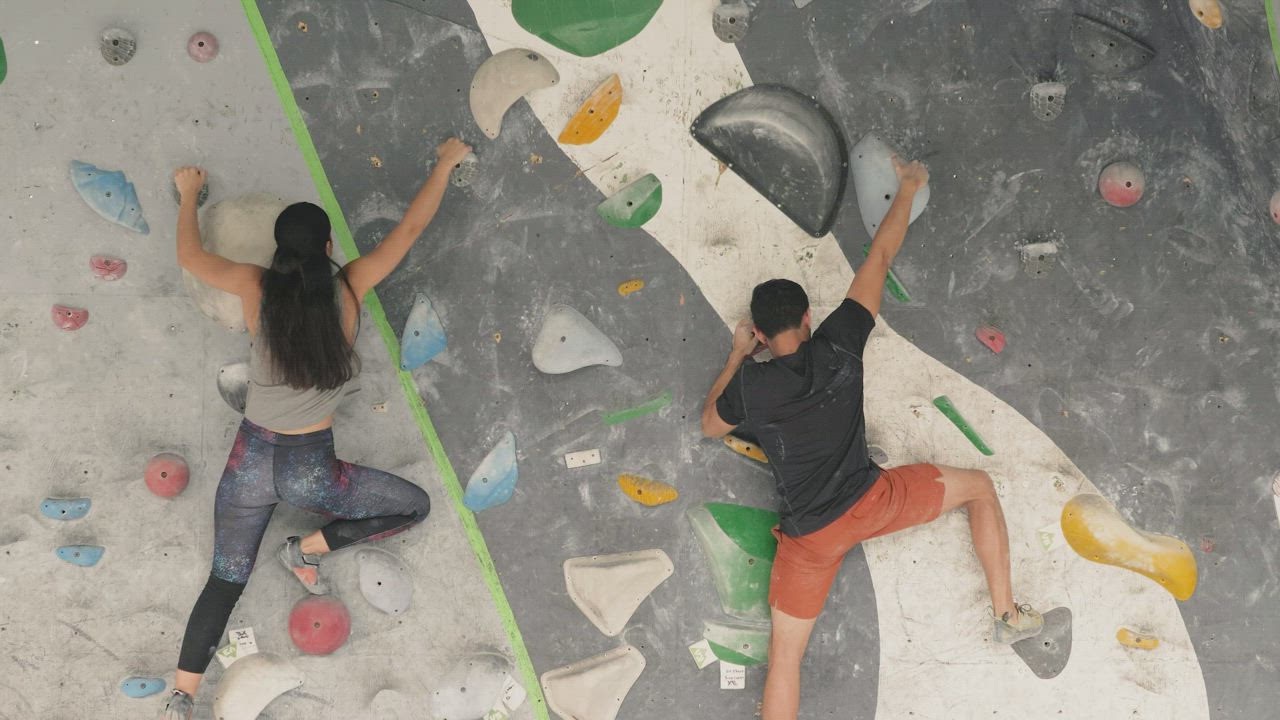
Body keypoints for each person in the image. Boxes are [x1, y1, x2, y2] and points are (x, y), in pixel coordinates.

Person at [699, 157, 1044, 720]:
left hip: (811, 539)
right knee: (979, 488)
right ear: (808, 316)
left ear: (761, 333)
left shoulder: (753, 384)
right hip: (872, 503)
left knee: (785, 661)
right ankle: (1006, 615)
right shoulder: (839, 343)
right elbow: (879, 256)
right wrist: (909, 186)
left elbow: (711, 424)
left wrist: (739, 354)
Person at [161, 137, 473, 719]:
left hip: (249, 464)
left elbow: (192, 257)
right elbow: (408, 230)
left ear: (277, 251)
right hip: (310, 474)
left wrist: (188, 194)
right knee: (413, 507)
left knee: (224, 582)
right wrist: (445, 163)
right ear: (329, 247)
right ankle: (305, 548)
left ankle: (180, 698)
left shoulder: (256, 287)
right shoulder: (350, 286)